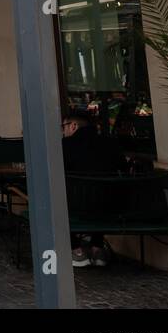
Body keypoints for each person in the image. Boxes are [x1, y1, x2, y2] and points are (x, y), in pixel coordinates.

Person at [62, 108, 127, 267]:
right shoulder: (110, 143)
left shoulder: (64, 146)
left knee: (57, 198)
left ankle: (76, 250)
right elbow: (123, 168)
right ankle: (97, 248)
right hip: (109, 206)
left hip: (74, 207)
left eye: (63, 126)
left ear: (73, 126)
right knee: (99, 192)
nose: (63, 131)